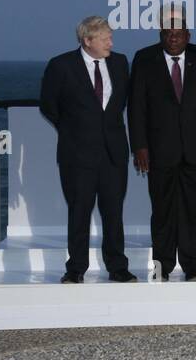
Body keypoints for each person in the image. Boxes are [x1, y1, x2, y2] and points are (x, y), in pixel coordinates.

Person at [128, 9, 196, 281]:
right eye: (168, 34)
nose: (173, 38)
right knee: (162, 213)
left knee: (193, 213)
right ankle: (162, 267)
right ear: (161, 35)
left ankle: (192, 267)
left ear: (187, 36)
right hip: (158, 152)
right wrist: (139, 146)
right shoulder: (145, 60)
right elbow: (136, 108)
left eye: (178, 34)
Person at [39, 16, 137, 284]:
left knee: (114, 213)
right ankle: (76, 269)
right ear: (87, 40)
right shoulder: (61, 66)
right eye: (106, 39)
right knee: (79, 211)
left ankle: (118, 267)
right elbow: (48, 105)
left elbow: (122, 101)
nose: (111, 43)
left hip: (113, 153)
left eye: (111, 38)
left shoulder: (119, 62)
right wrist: (72, 129)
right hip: (77, 154)